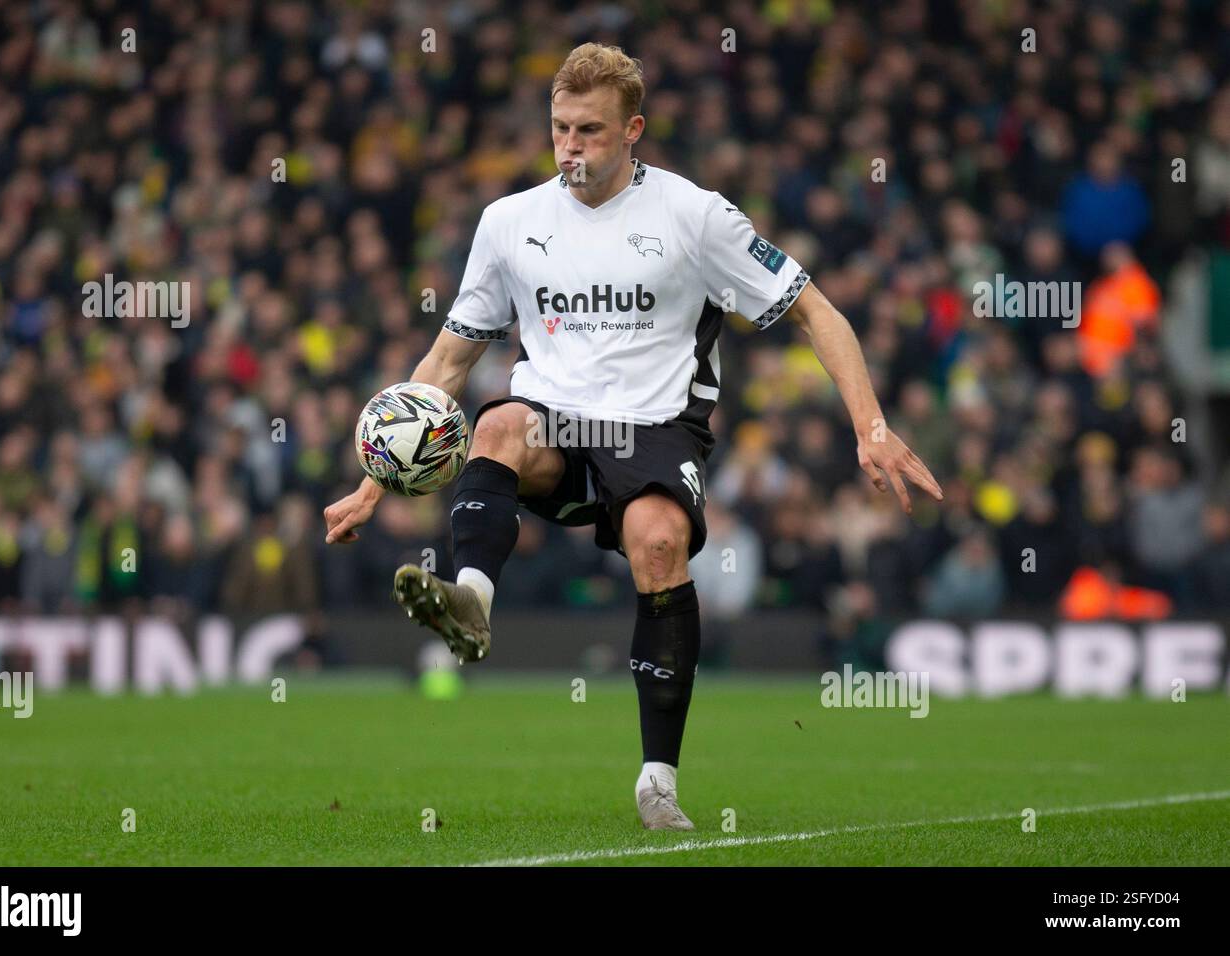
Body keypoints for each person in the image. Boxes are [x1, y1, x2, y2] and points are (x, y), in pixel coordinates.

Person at [322, 43, 942, 830]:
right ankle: (471, 602)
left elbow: (817, 309)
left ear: (633, 129)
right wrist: (376, 481)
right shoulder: (508, 223)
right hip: (556, 423)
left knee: (657, 546)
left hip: (657, 427)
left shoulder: (695, 215)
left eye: (589, 130)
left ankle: (657, 781)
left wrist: (872, 428)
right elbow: (448, 360)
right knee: (502, 419)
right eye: (559, 129)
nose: (570, 147)